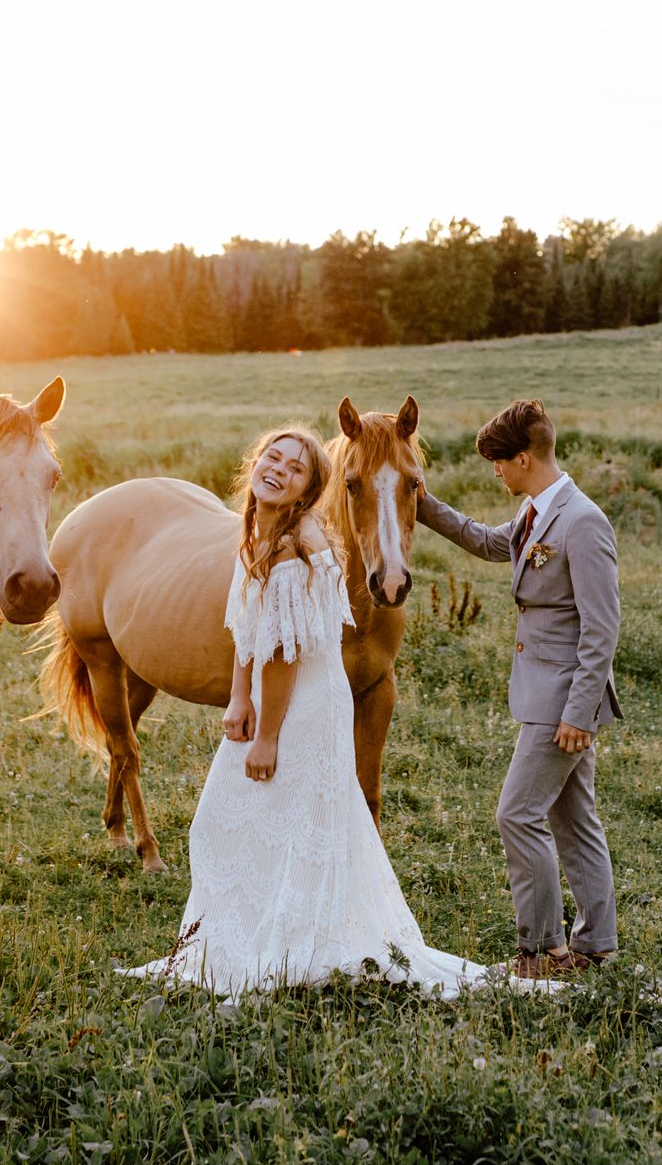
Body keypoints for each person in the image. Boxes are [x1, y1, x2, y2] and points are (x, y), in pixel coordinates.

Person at [125, 426, 552, 999]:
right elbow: (249, 626)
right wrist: (237, 694)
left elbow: (283, 650)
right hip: (289, 700)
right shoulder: (266, 531)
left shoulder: (297, 547)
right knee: (276, 820)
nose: (278, 469)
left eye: (294, 468)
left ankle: (282, 950)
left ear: (309, 489)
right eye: (272, 457)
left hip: (296, 705)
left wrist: (265, 734)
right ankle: (259, 938)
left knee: (227, 824)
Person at [415, 399, 622, 981]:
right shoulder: (537, 512)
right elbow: (485, 541)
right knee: (574, 820)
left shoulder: (582, 523)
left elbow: (602, 629)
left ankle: (542, 951)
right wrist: (422, 504)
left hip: (563, 702)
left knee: (517, 814)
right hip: (544, 695)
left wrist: (580, 712)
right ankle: (596, 945)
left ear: (524, 458)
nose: (495, 474)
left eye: (499, 464)